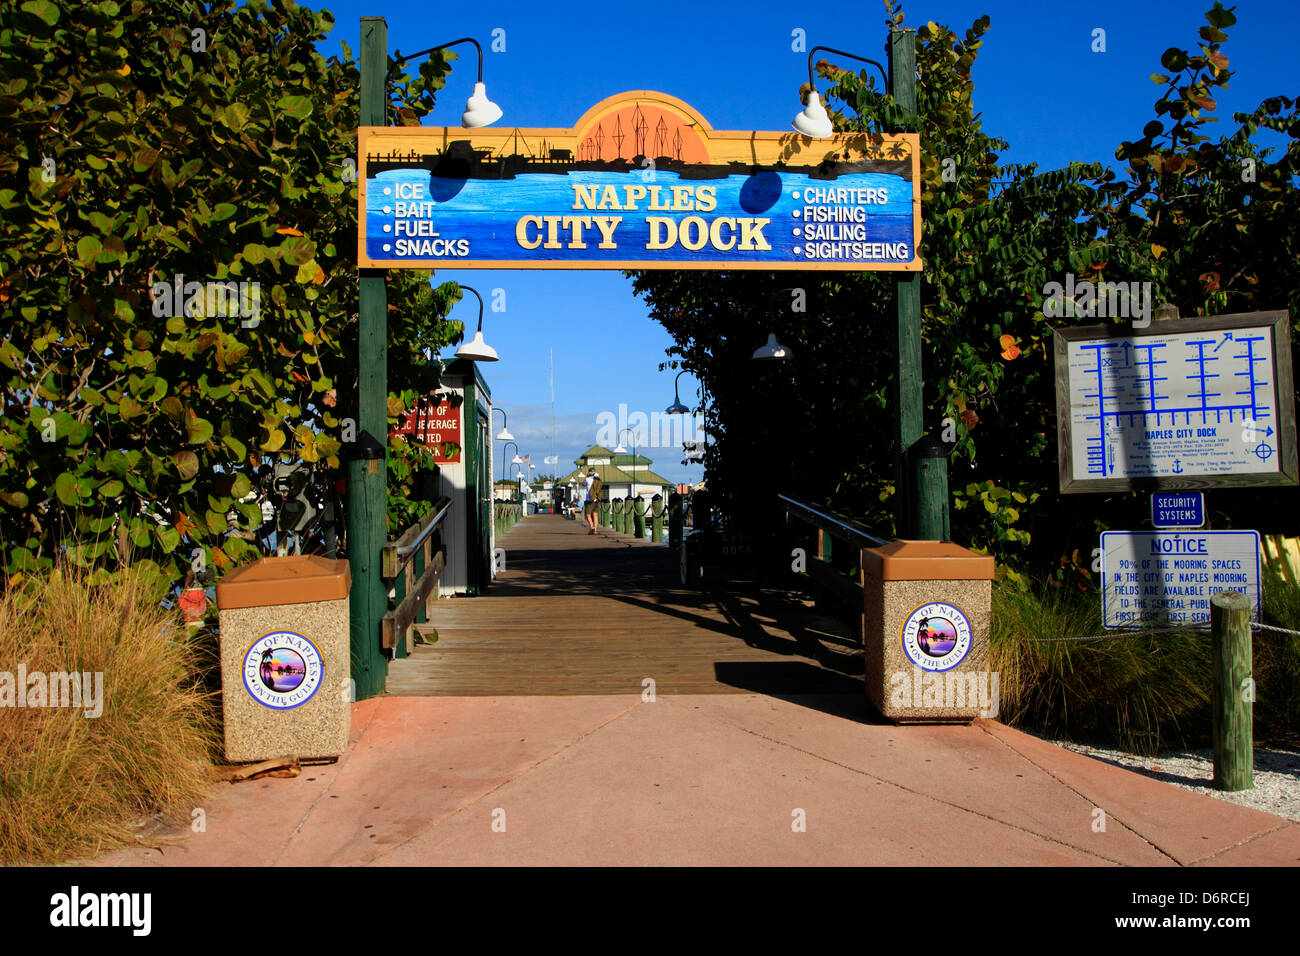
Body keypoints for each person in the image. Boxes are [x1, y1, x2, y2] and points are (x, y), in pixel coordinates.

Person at [583, 468, 601, 534]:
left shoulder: (587, 479)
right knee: (595, 515)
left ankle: (591, 527)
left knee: (588, 515)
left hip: (589, 499)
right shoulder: (599, 480)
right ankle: (595, 530)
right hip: (597, 499)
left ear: (589, 473)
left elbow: (583, 484)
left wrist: (587, 476)